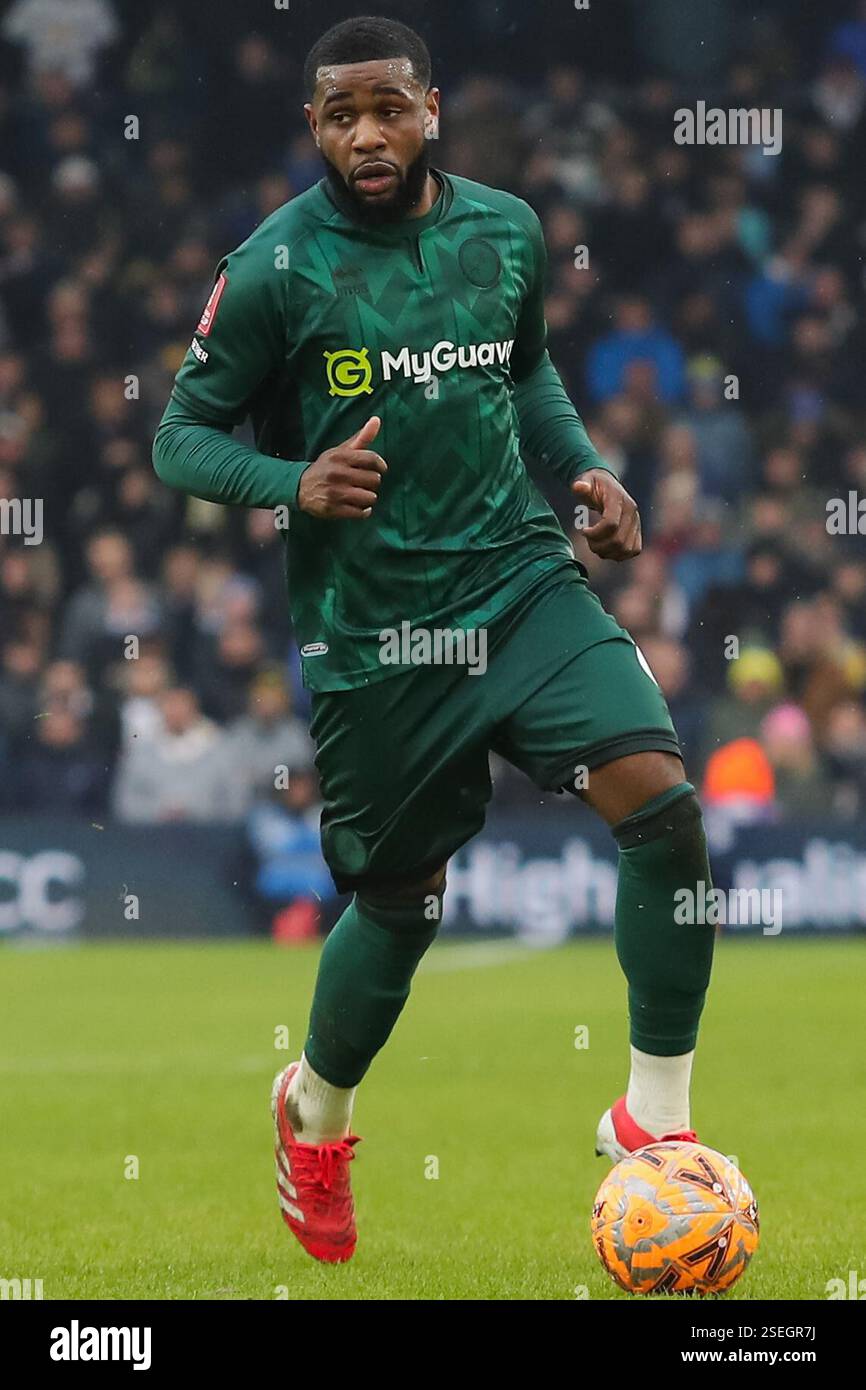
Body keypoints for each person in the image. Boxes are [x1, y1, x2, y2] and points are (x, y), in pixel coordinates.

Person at [152, 15, 715, 1266]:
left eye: (389, 108)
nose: (367, 134)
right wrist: (292, 481)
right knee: (400, 906)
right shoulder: (273, 267)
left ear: (430, 112)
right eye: (342, 114)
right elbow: (178, 437)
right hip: (377, 634)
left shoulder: (503, 230)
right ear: (312, 125)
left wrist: (582, 469)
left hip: (519, 581)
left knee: (662, 805)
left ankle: (653, 1118)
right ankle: (315, 1109)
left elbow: (523, 371)